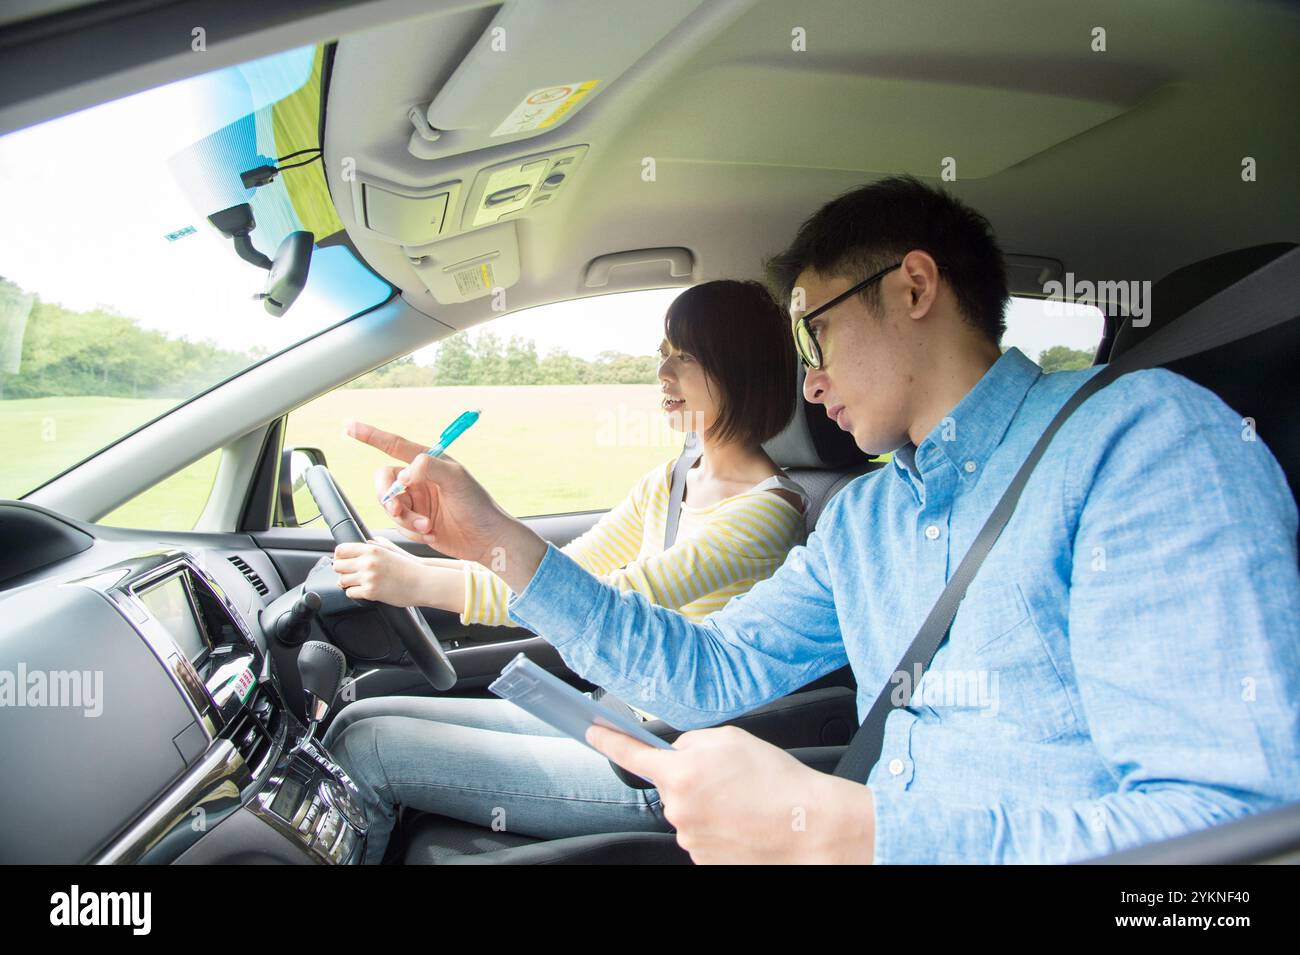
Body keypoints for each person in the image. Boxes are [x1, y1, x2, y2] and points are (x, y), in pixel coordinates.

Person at [371, 175, 1300, 864]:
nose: (807, 381)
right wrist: (494, 539)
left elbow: (1232, 850)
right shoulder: (865, 520)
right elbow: (706, 670)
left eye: (815, 331)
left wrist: (848, 831)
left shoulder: (1143, 444)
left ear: (914, 287)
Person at [323, 279, 810, 863]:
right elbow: (569, 572)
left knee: (369, 750)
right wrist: (440, 550)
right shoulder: (672, 479)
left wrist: (417, 581)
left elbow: (601, 603)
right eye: (662, 354)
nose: (663, 373)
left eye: (684, 356)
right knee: (360, 717)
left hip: (664, 763)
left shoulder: (766, 514)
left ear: (741, 369)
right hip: (613, 712)